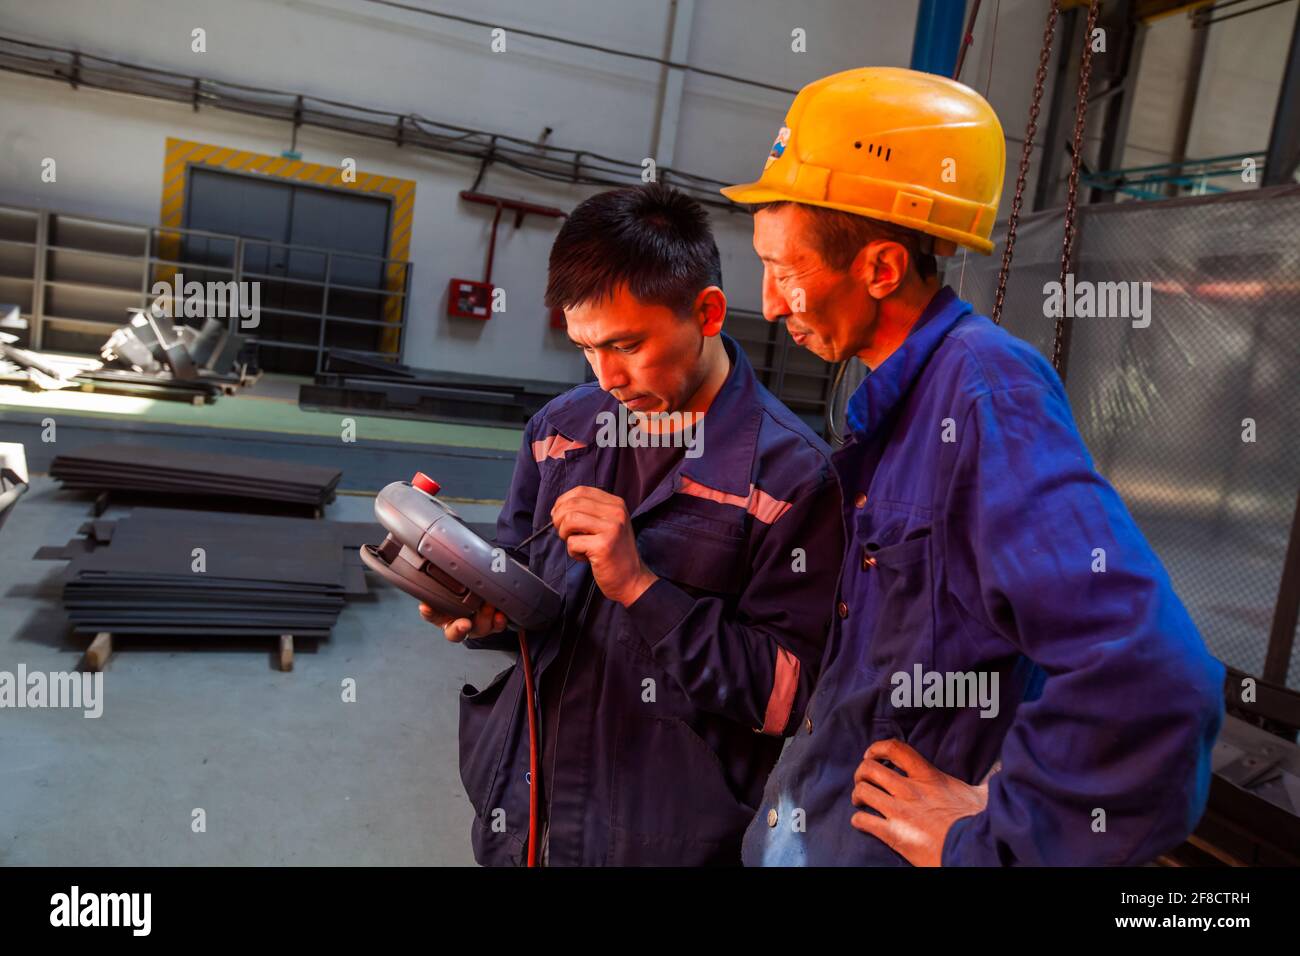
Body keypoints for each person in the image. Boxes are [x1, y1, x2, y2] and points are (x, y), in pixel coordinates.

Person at [720, 66, 1225, 866]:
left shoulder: (984, 395)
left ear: (881, 269)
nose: (773, 303)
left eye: (787, 271)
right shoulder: (903, 403)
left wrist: (994, 841)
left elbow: (1154, 680)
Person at [422, 183, 844, 866]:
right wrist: (482, 604)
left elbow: (786, 697)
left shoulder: (791, 478)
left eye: (626, 344)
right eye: (587, 347)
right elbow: (526, 590)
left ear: (706, 313)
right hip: (528, 816)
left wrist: (641, 588)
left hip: (660, 840)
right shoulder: (559, 433)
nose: (606, 375)